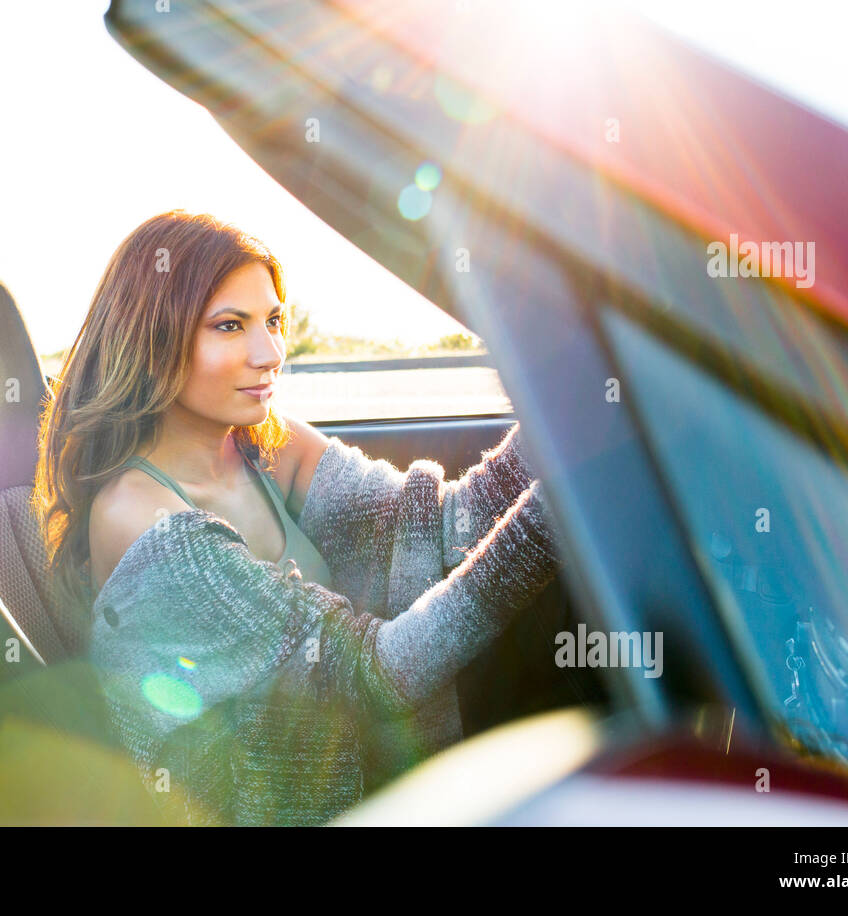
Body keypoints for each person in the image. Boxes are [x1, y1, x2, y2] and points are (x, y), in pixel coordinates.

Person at [32, 210, 561, 825]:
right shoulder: (142, 523)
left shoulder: (263, 445)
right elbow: (373, 676)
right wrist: (546, 526)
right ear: (153, 344)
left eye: (274, 320)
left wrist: (569, 409)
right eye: (230, 327)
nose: (271, 352)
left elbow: (445, 524)